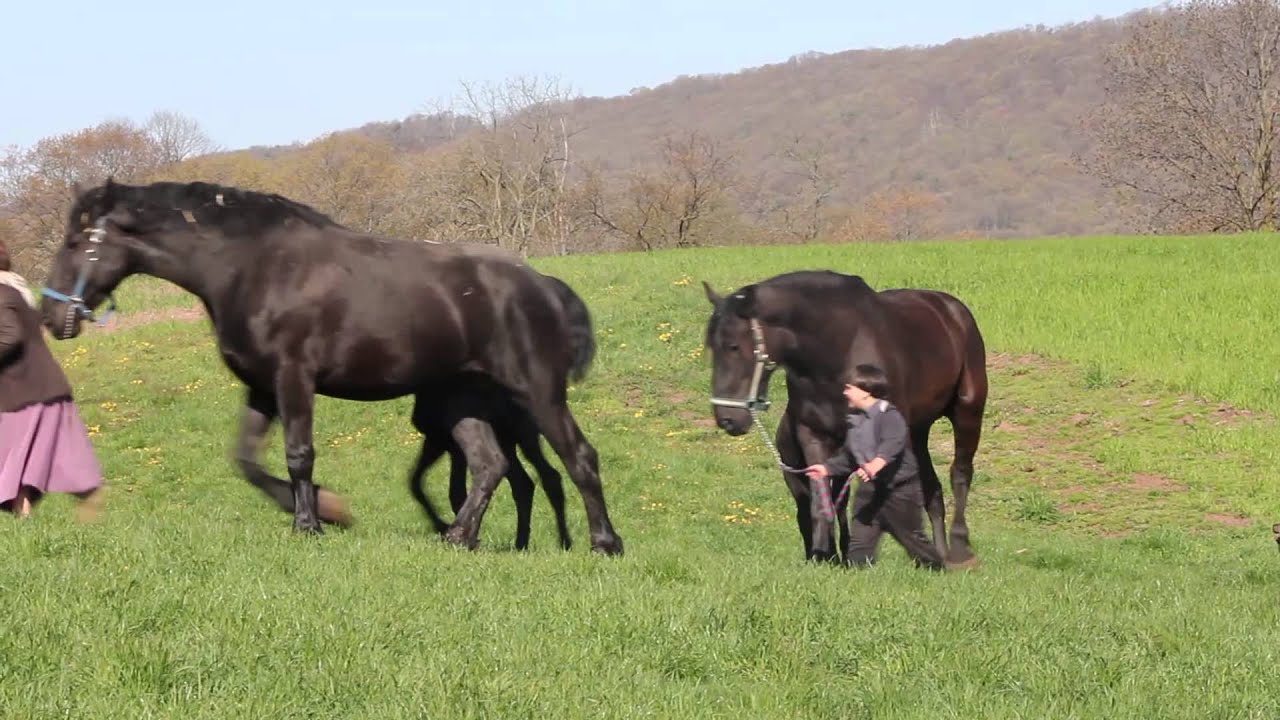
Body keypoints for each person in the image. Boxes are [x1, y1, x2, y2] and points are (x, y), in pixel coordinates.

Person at [0, 239, 104, 520]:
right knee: (17, 459)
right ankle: (27, 515)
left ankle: (89, 502)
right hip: (31, 389)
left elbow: (11, 336)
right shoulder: (15, 289)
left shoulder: (2, 293)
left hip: (27, 391)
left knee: (16, 458)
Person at [803, 363, 944, 570]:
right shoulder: (856, 421)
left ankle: (936, 570)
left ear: (866, 392)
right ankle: (858, 579)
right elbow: (850, 457)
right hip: (869, 491)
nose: (845, 392)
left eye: (849, 388)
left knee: (914, 541)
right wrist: (826, 469)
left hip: (899, 492)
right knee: (859, 544)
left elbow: (893, 443)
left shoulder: (889, 415)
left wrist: (875, 465)